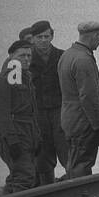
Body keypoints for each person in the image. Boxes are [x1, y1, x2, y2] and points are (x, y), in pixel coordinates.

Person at [57, 21, 99, 178]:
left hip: (68, 118)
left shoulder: (67, 55)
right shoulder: (83, 60)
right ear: (94, 35)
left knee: (73, 161)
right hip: (83, 121)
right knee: (82, 163)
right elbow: (89, 97)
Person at [0, 39, 39, 193]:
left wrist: (37, 137)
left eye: (29, 56)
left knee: (20, 177)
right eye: (21, 55)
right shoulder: (3, 80)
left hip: (28, 134)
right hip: (15, 134)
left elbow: (32, 112)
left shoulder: (26, 78)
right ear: (11, 56)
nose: (26, 59)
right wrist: (12, 141)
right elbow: (1, 115)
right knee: (24, 177)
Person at [26, 20, 68, 185]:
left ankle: (74, 191)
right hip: (38, 114)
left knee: (67, 151)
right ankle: (47, 193)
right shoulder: (26, 60)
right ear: (33, 38)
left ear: (52, 36)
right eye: (39, 37)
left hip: (60, 112)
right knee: (42, 157)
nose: (43, 40)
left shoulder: (62, 56)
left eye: (46, 36)